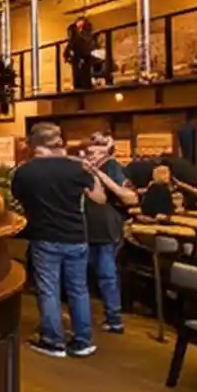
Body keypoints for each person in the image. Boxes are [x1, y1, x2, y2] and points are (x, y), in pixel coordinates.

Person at [11, 122, 107, 358]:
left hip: (45, 237)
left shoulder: (24, 172)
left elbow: (19, 199)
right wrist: (92, 173)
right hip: (77, 237)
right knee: (78, 290)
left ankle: (53, 342)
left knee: (48, 290)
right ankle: (82, 342)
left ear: (34, 145)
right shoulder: (76, 169)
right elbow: (100, 198)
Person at [84, 133, 139, 335]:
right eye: (90, 150)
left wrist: (98, 174)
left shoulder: (112, 166)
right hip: (86, 229)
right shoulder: (86, 167)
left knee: (106, 274)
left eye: (97, 149)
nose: (91, 154)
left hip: (106, 230)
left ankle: (114, 319)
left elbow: (130, 198)